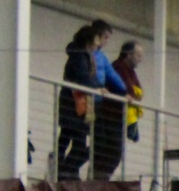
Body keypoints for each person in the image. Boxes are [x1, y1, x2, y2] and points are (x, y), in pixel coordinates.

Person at [88, 21, 129, 179]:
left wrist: (124, 90)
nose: (106, 42)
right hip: (89, 101)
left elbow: (112, 75)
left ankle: (99, 175)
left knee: (103, 142)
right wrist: (98, 85)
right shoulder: (88, 53)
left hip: (98, 103)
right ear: (97, 36)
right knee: (95, 140)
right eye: (105, 37)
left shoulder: (101, 57)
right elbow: (87, 74)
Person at [56, 24, 98, 179]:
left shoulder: (81, 55)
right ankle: (66, 171)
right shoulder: (80, 56)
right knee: (77, 141)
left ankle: (66, 170)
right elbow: (84, 79)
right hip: (74, 104)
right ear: (89, 40)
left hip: (73, 103)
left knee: (67, 137)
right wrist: (98, 87)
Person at [113, 41, 145, 148]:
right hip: (113, 114)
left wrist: (134, 93)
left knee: (114, 154)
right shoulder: (118, 67)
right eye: (138, 55)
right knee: (111, 152)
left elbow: (139, 93)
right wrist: (134, 93)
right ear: (128, 55)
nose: (141, 59)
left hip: (119, 115)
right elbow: (129, 90)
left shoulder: (130, 71)